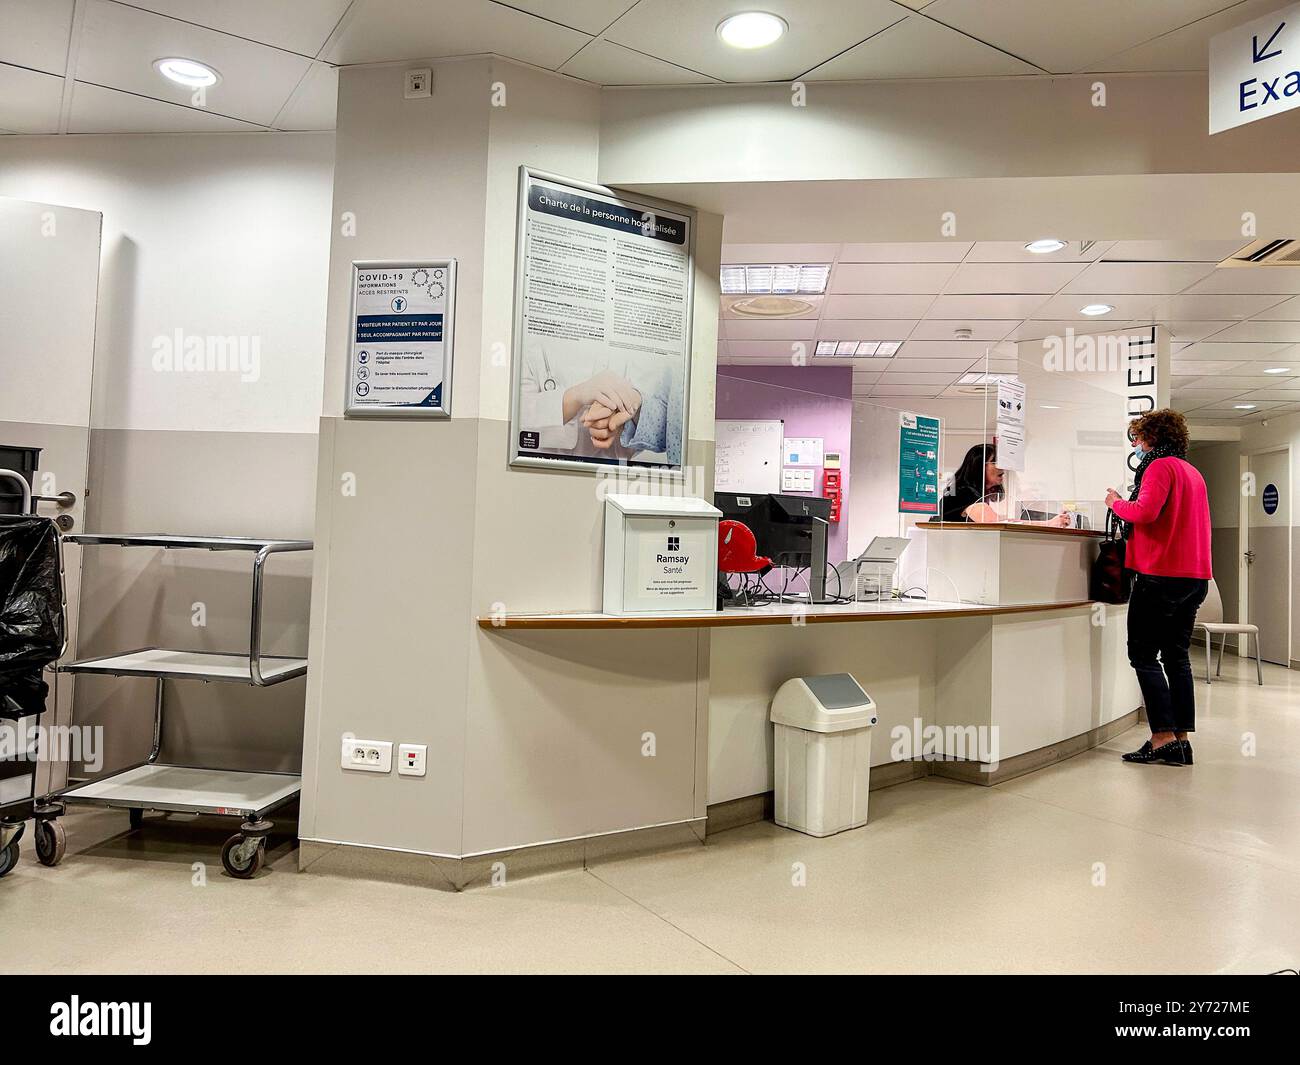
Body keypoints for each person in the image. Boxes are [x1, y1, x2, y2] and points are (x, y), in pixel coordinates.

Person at [1105, 408, 1211, 767]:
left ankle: (1162, 736)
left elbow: (1145, 512)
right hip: (1194, 578)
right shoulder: (1192, 472)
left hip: (1160, 575)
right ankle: (1181, 740)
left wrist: (1116, 504)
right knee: (1177, 658)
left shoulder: (1159, 467)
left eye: (1137, 437)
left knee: (1144, 655)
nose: (1135, 444)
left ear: (1151, 438)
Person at [938, 443, 1068, 526]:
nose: (1002, 467)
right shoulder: (964, 492)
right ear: (979, 467)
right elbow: (995, 523)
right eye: (995, 462)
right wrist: (1048, 523)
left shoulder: (969, 492)